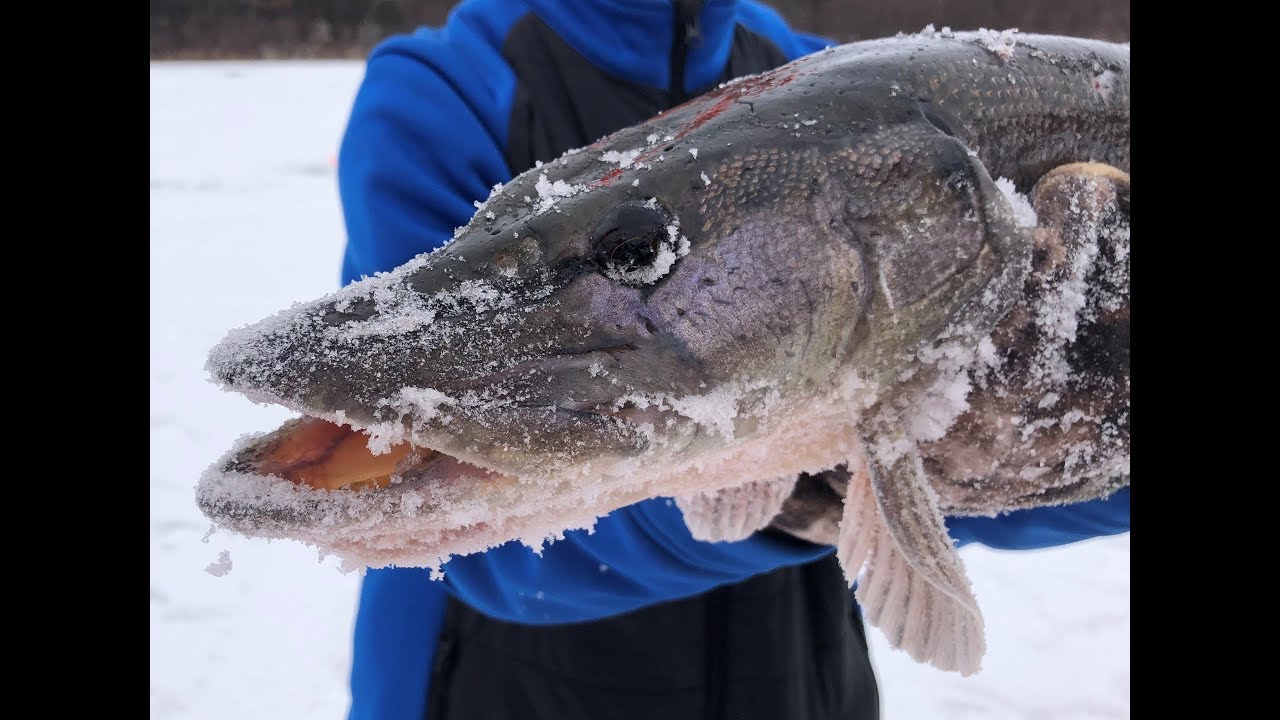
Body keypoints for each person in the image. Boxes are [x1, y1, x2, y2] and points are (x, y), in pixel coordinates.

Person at [335, 2, 1132, 718]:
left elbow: (995, 494)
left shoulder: (837, 83)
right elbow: (468, 535)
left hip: (794, 682)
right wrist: (803, 492)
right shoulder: (451, 92)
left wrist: (1102, 426)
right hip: (494, 691)